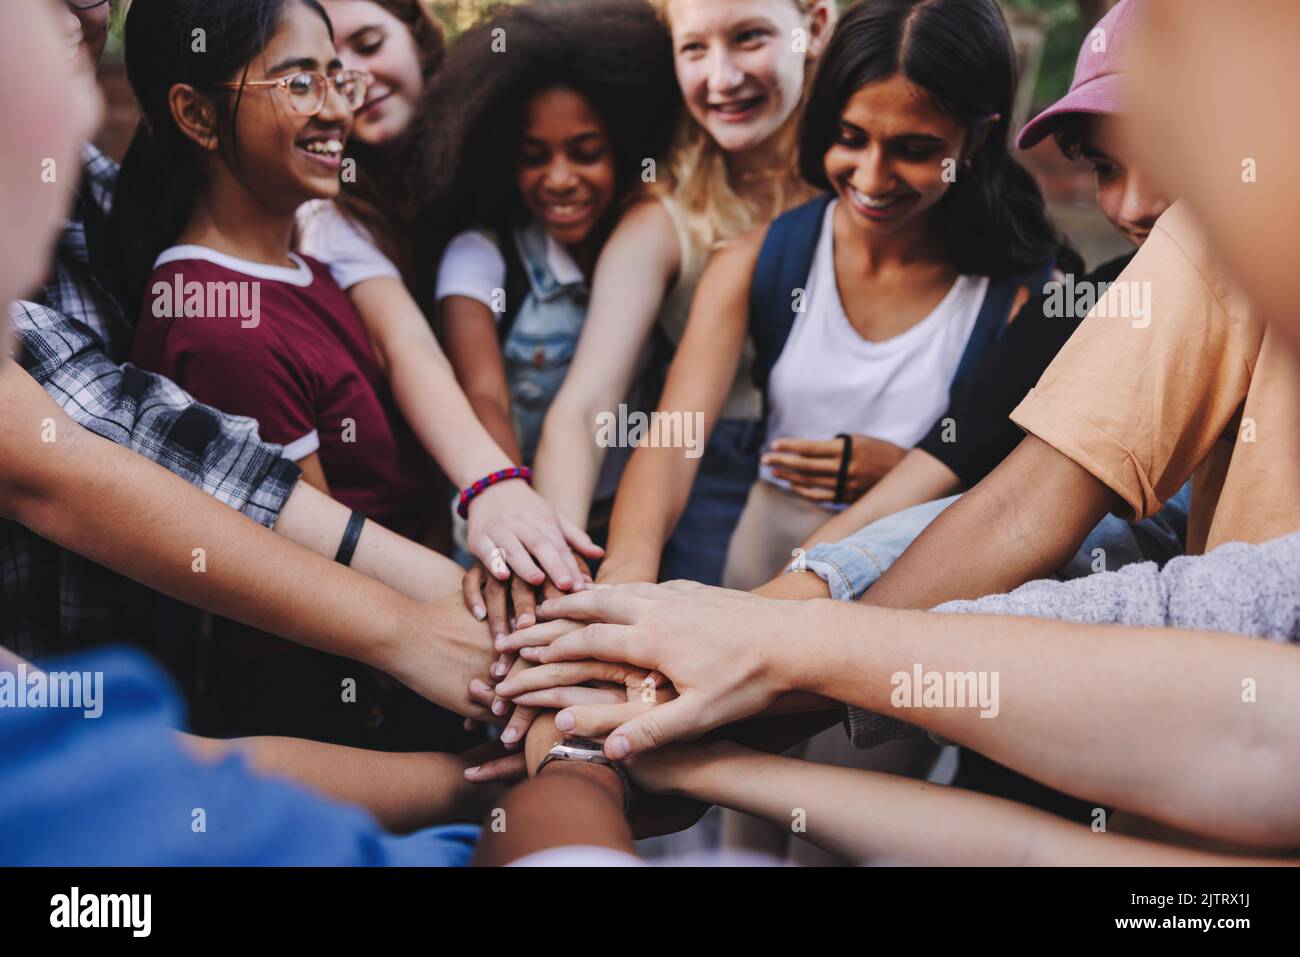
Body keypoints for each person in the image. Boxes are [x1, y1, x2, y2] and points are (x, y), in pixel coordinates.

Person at [0, 0, 507, 868]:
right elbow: (89, 450)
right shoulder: (216, 315)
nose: (334, 106)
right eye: (299, 78)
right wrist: (441, 637)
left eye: (334, 74)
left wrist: (489, 582)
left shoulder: (106, 183)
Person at [296, 0, 605, 598]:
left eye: (368, 43)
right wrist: (498, 487)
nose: (355, 77)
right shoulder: (329, 217)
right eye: (330, 67)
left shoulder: (496, 158)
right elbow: (407, 345)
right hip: (435, 511)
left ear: (418, 39)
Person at [530, 0, 836, 588]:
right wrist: (557, 566)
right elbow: (587, 406)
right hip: (707, 492)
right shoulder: (664, 220)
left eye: (749, 38)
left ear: (815, 27)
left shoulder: (871, 185)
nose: (721, 78)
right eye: (694, 48)